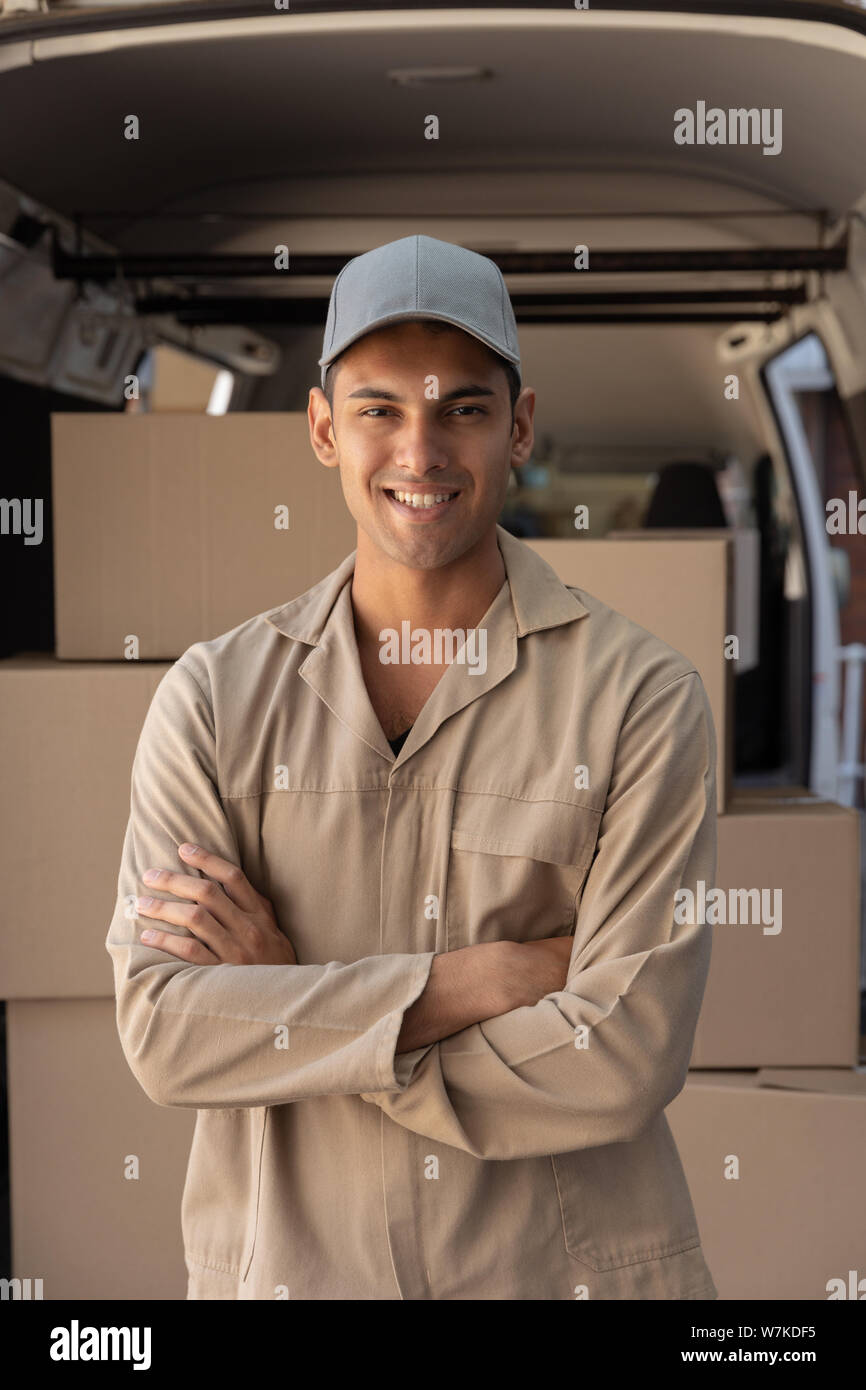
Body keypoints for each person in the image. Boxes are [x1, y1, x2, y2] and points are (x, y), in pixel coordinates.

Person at [106, 233, 719, 1300]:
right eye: (379, 408)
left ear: (518, 426)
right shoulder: (211, 701)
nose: (419, 450)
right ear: (321, 429)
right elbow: (167, 1034)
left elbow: (620, 1057)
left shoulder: (639, 700)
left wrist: (292, 1005)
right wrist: (465, 983)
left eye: (462, 409)